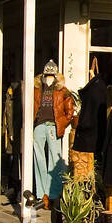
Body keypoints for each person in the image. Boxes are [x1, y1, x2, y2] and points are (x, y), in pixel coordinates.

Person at [32, 59, 78, 209]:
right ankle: (41, 193)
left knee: (55, 160)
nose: (49, 77)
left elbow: (70, 110)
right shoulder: (37, 89)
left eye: (52, 75)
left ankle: (53, 193)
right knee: (38, 158)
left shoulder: (62, 90)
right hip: (38, 125)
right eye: (47, 75)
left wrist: (62, 123)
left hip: (53, 126)